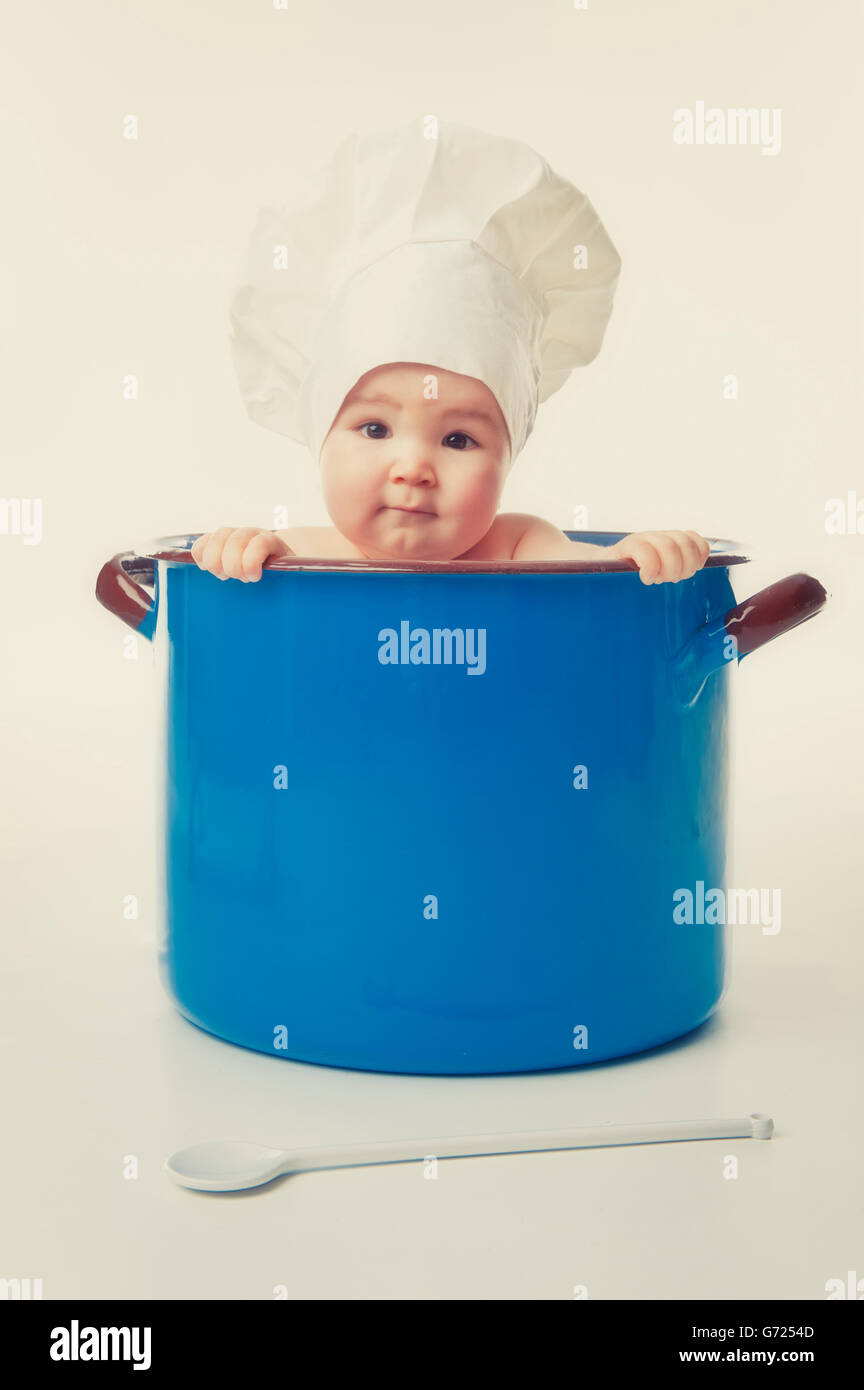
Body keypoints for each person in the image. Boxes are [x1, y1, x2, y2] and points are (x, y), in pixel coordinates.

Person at [193, 119, 709, 585]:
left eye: (459, 439)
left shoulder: (519, 545)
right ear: (318, 437)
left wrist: (632, 558)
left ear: (510, 455)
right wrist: (235, 550)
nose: (414, 467)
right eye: (375, 429)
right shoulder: (293, 556)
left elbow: (587, 572)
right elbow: (241, 576)